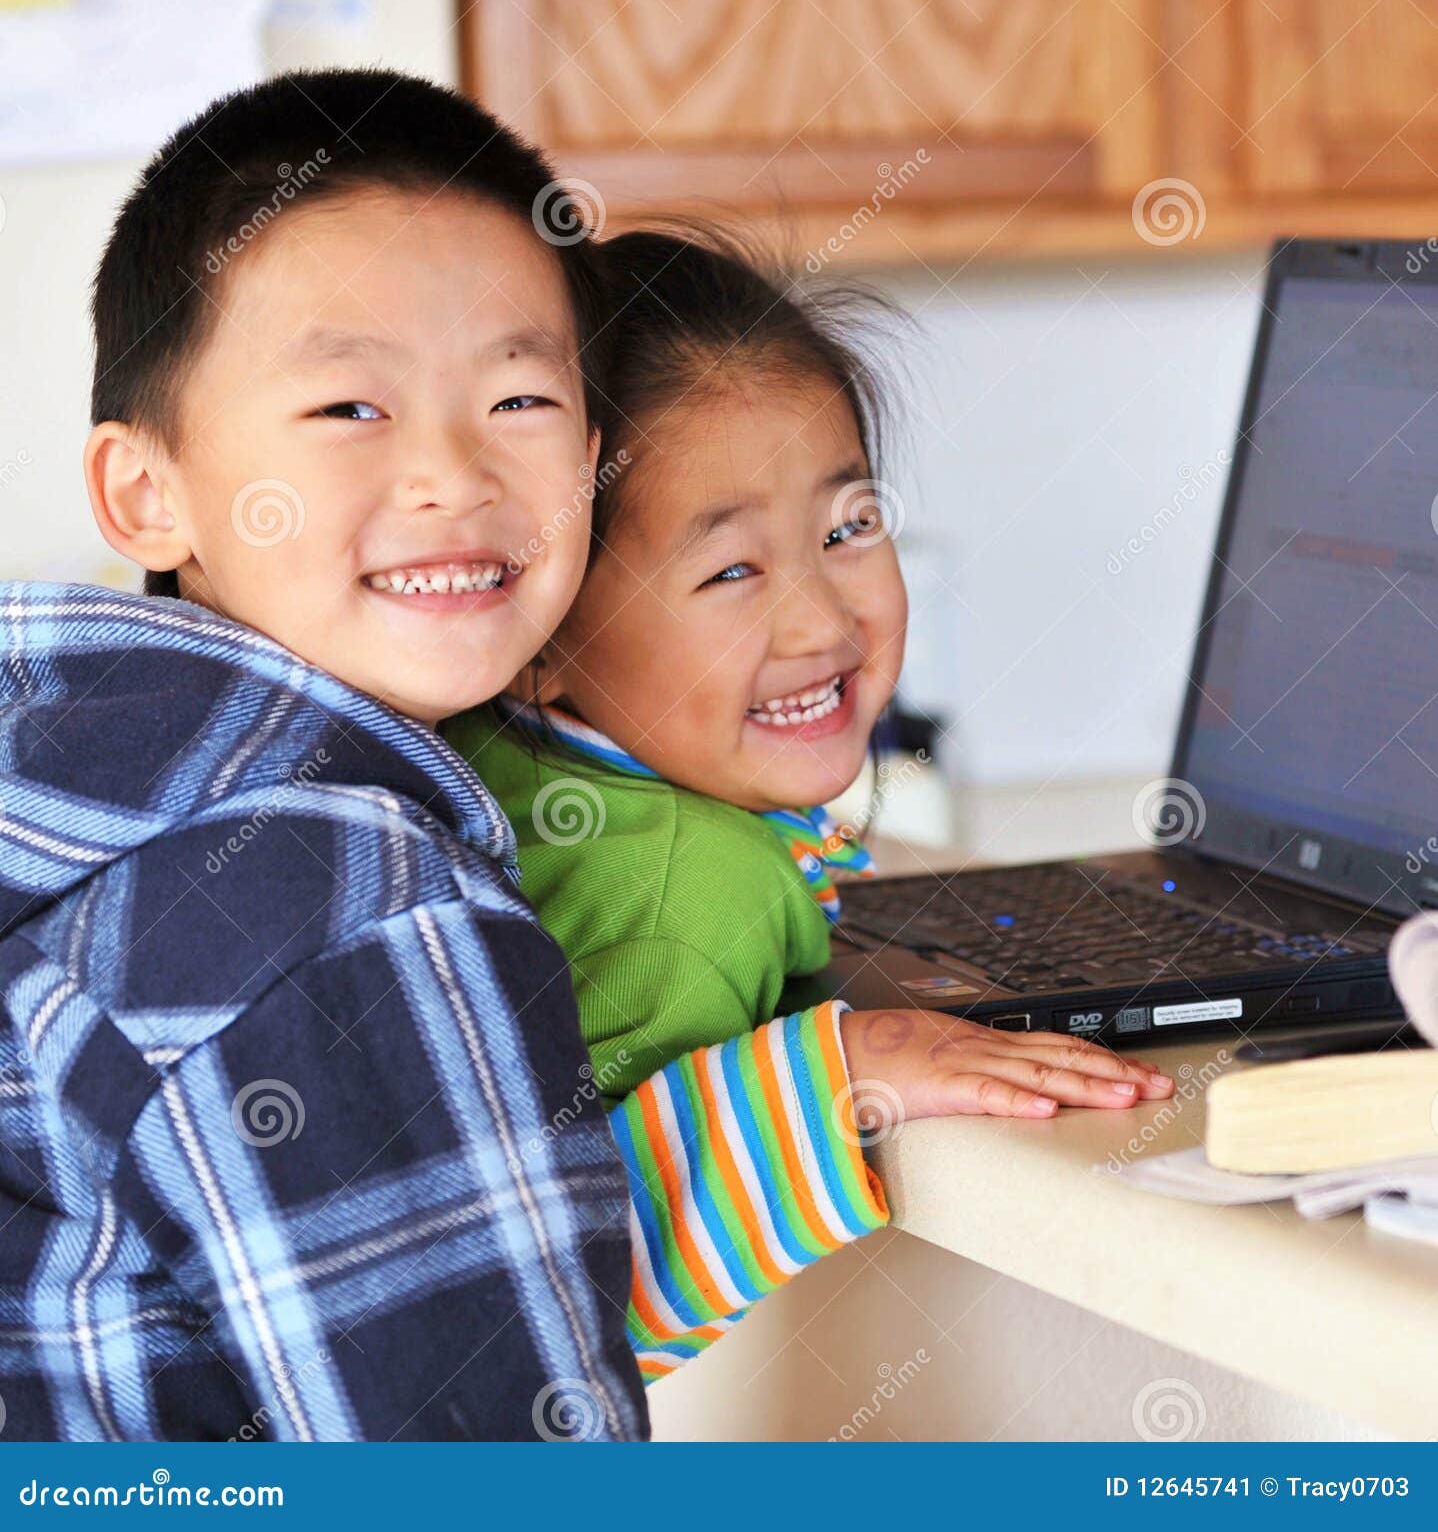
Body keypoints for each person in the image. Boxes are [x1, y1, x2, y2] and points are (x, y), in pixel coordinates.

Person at [0, 72, 869, 1439]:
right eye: (352, 408)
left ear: (588, 457)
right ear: (146, 490)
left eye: (518, 400)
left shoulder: (91, 774)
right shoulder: (348, 911)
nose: (451, 476)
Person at [446, 228, 1176, 1373]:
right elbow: (556, 1286)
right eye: (730, 570)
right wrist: (845, 1072)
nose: (822, 624)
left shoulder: (514, 756)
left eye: (848, 529)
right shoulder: (692, 901)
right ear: (539, 631)